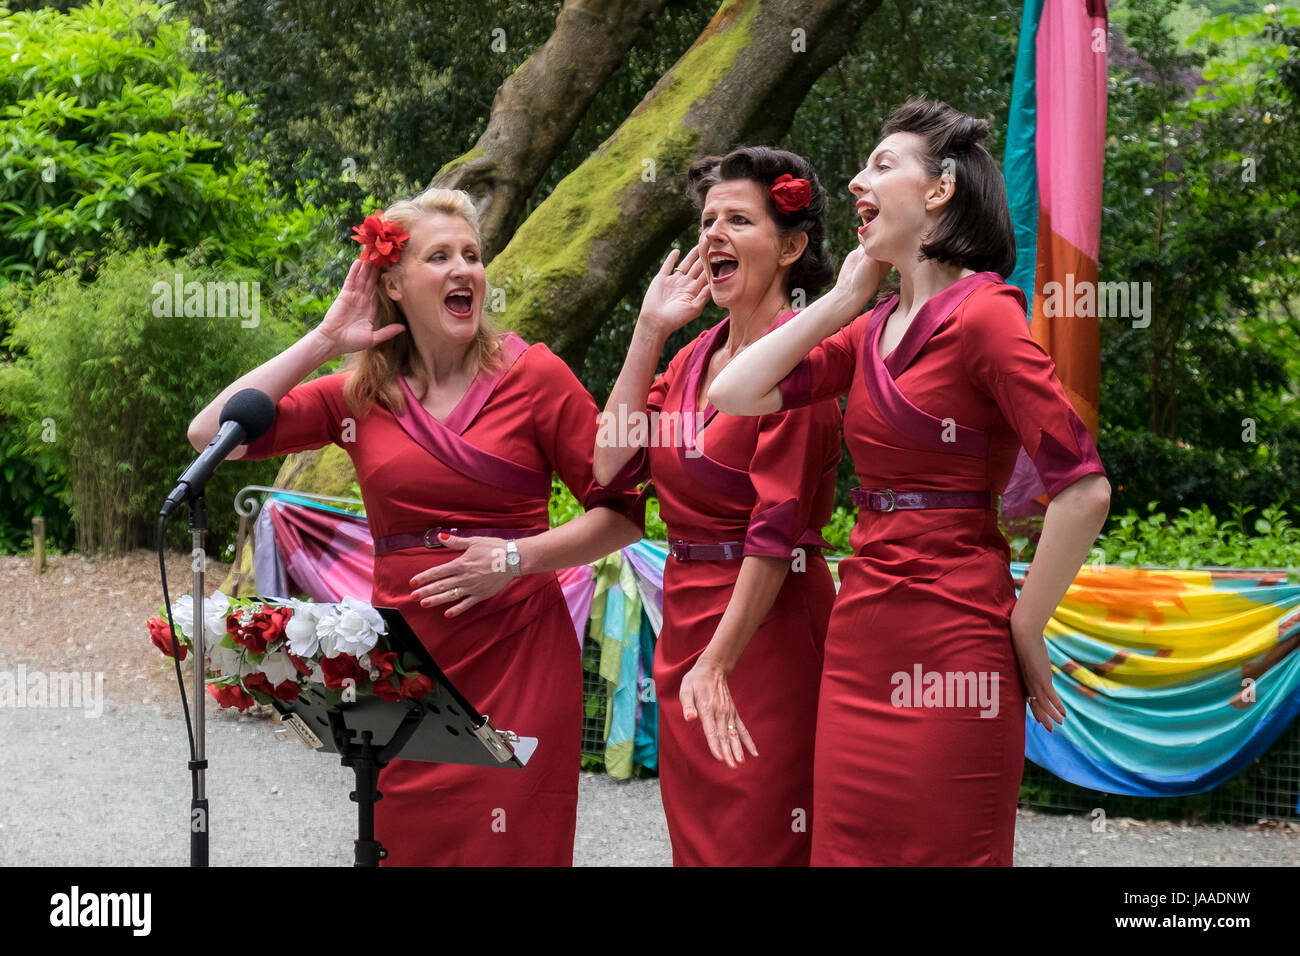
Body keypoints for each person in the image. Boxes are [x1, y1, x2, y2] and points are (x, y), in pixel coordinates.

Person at [187, 187, 644, 866]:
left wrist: (514, 560)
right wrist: (325, 338)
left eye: (472, 255)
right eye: (440, 257)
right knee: (405, 846)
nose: (465, 270)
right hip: (407, 666)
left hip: (519, 656)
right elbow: (209, 432)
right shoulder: (358, 393)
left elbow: (622, 516)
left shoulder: (536, 376)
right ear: (392, 283)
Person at [709, 100, 1112, 866]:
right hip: (862, 638)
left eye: (882, 165)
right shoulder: (868, 327)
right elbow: (734, 392)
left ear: (939, 191)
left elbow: (1084, 487)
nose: (858, 181)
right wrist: (841, 299)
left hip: (957, 636)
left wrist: (1024, 626)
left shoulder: (987, 314)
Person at [593, 147, 843, 866]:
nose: (714, 234)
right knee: (698, 844)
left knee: (760, 837)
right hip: (686, 622)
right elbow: (610, 464)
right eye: (708, 220)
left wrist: (720, 661)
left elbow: (776, 532)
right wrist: (650, 331)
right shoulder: (691, 357)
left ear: (792, 246)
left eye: (739, 218)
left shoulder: (801, 366)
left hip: (765, 631)